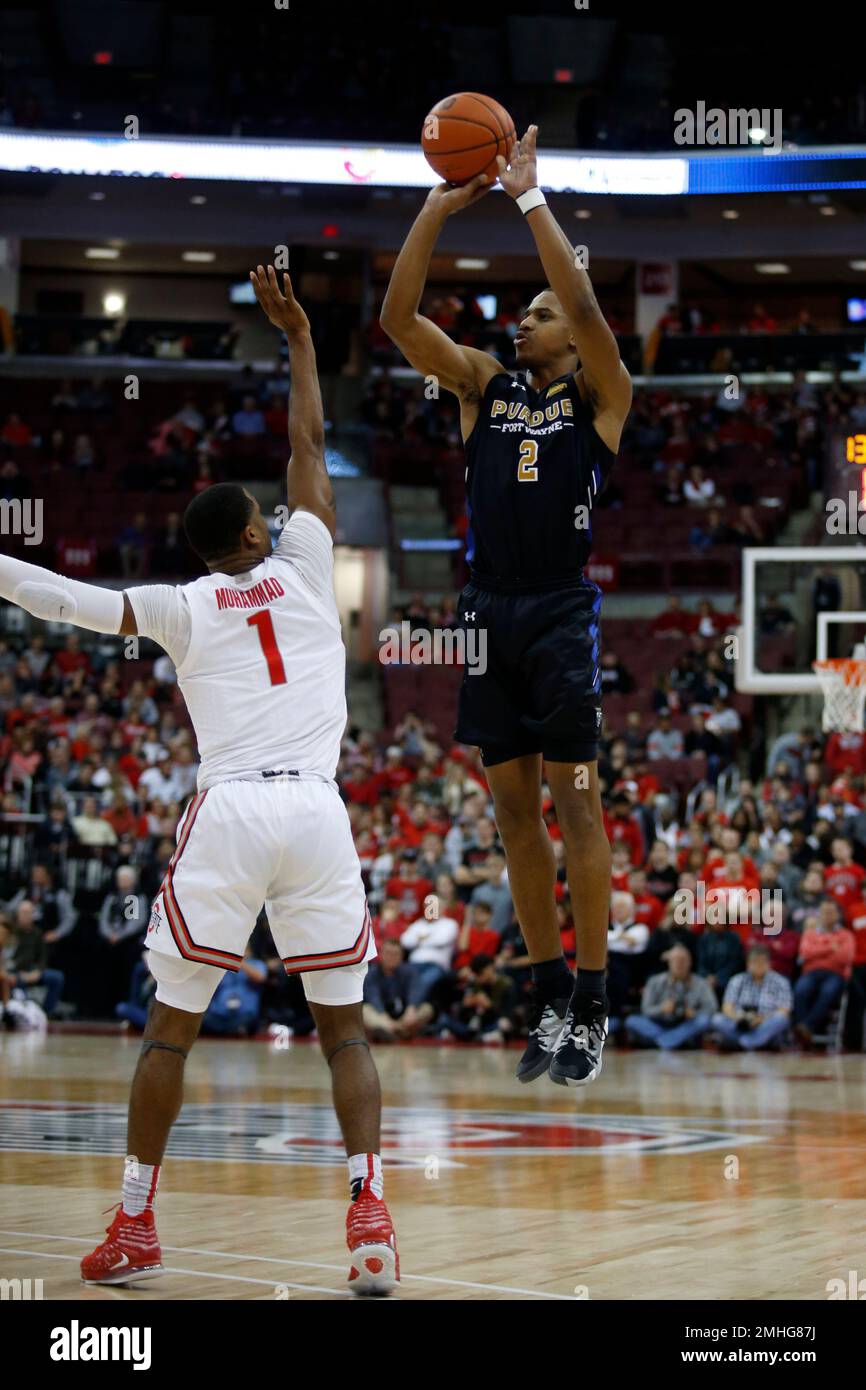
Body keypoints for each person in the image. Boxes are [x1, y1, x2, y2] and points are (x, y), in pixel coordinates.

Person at [0, 266, 397, 1296]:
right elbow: (310, 445)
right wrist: (300, 339)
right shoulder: (309, 562)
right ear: (258, 534)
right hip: (316, 809)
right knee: (342, 1028)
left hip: (228, 810)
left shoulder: (181, 606)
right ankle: (369, 1217)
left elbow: (65, 602)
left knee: (167, 1032)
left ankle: (135, 1221)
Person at [381, 124, 632, 1090]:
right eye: (520, 314)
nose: (521, 323)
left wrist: (529, 199)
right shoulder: (484, 385)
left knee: (578, 807)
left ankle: (597, 1004)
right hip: (487, 611)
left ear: (573, 328)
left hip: (561, 611)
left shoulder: (603, 392)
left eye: (537, 313)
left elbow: (578, 300)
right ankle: (548, 995)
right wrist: (438, 206)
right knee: (515, 817)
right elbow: (402, 320)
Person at [624, 943, 717, 1050]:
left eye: (683, 960)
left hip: (687, 1024)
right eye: (676, 960)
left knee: (703, 1021)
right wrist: (661, 1009)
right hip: (660, 1024)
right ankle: (674, 1040)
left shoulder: (701, 983)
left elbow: (712, 1008)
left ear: (690, 962)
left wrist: (693, 1013)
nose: (679, 964)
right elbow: (646, 1010)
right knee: (631, 1021)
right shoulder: (654, 981)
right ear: (669, 962)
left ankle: (664, 1041)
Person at [793, 901, 855, 1045]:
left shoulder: (846, 935)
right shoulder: (810, 933)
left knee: (828, 991)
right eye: (824, 912)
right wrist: (830, 948)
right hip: (811, 972)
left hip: (835, 973)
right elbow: (805, 953)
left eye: (831, 912)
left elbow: (845, 958)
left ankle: (806, 1027)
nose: (828, 915)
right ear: (819, 915)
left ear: (838, 915)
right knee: (801, 989)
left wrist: (818, 949)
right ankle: (804, 1031)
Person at [712, 945, 792, 1051]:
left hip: (765, 1024)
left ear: (769, 964)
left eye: (762, 962)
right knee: (717, 1019)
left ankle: (744, 1042)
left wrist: (761, 1019)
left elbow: (784, 1010)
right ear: (748, 964)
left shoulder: (781, 982)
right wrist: (739, 1018)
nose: (759, 965)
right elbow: (727, 1007)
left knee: (781, 1019)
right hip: (740, 1024)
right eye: (755, 962)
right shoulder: (737, 980)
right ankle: (754, 1042)